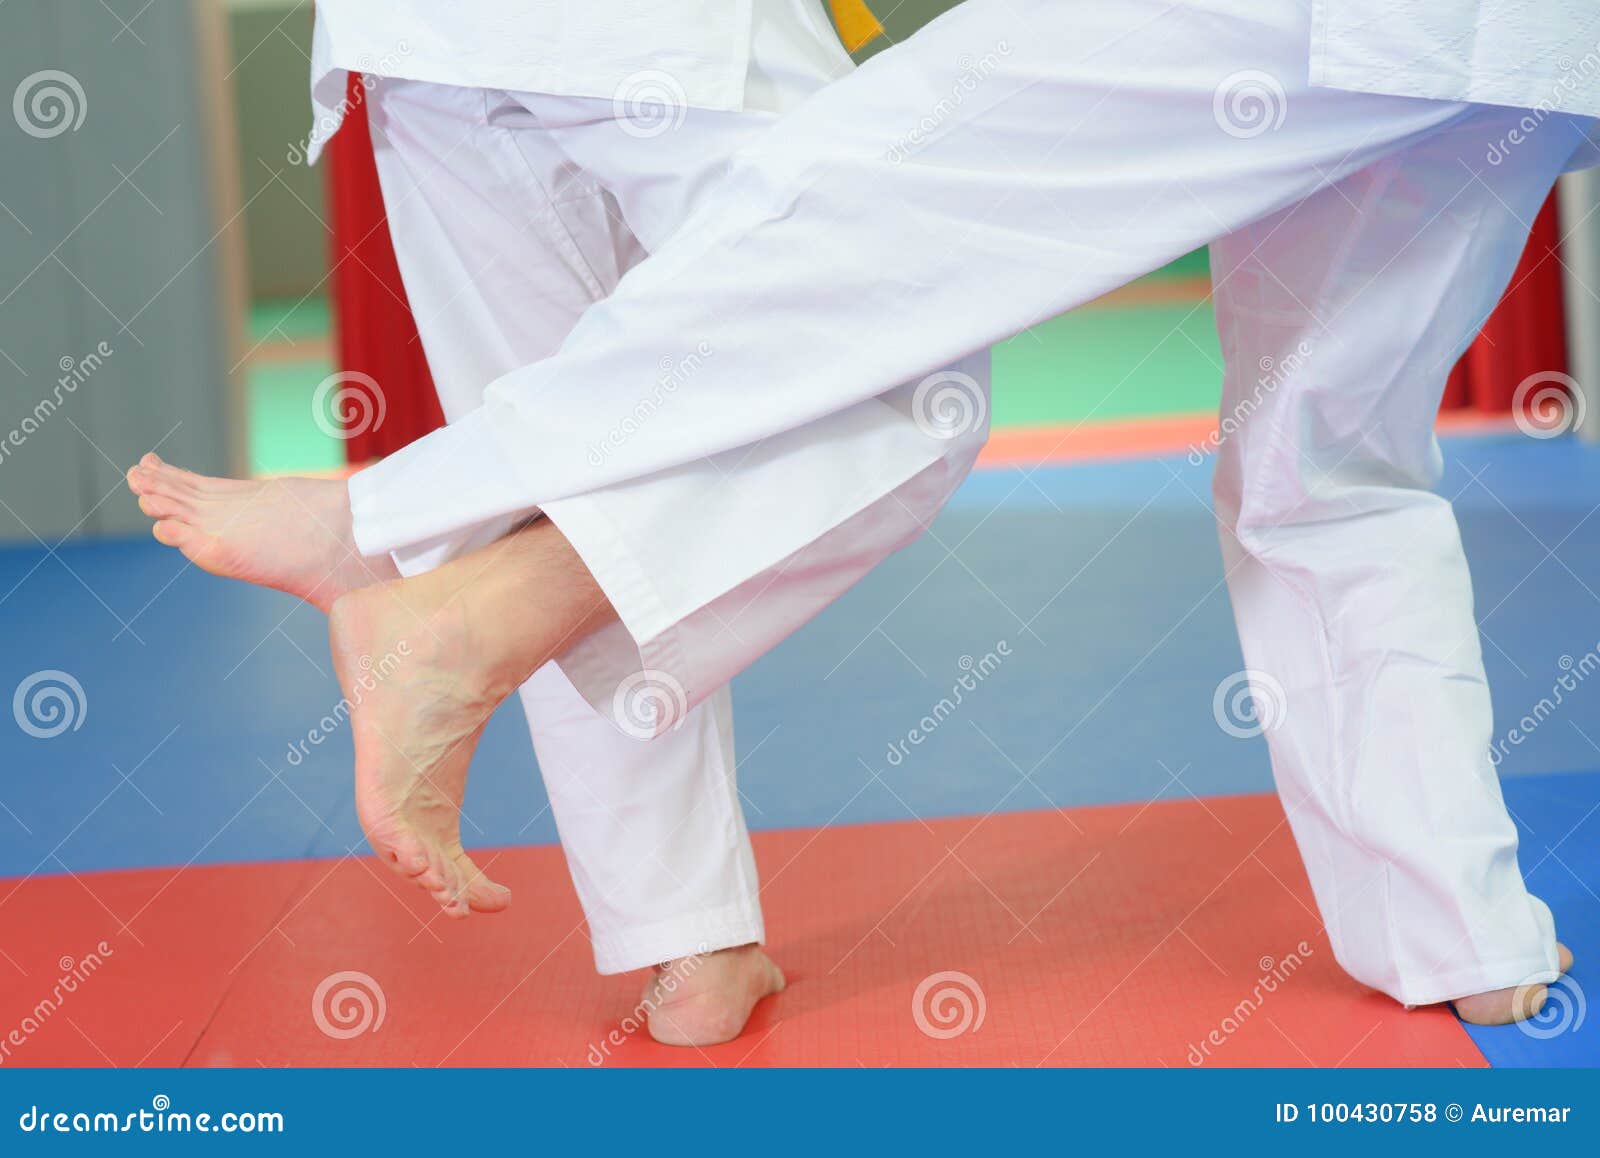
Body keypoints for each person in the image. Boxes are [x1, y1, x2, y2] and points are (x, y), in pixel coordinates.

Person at [130, 0, 1594, 1027]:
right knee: (1333, 466)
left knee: (852, 216)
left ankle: (416, 552)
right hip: (1535, 50)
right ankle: (1460, 937)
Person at [139, 0, 986, 1048]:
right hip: (653, 31)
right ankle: (384, 530)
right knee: (912, 367)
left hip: (411, 37)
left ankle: (690, 947)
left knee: (572, 458)